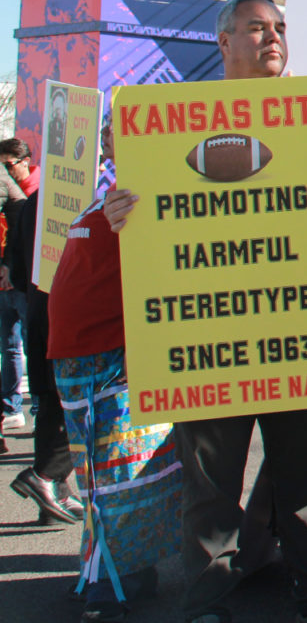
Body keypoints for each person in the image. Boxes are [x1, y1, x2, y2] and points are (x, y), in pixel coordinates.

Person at [102, 0, 307, 623]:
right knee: (210, 493)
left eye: (279, 28)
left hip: (295, 336)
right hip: (206, 343)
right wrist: (123, 212)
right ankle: (207, 603)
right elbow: (137, 207)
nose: (273, 37)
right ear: (224, 42)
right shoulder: (169, 119)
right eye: (257, 28)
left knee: (306, 485)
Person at [50, 116, 183, 622]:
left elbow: (156, 274)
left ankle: (112, 582)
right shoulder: (108, 192)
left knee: (120, 477)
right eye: (108, 136)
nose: (110, 142)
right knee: (99, 477)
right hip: (78, 357)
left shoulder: (145, 199)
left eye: (119, 134)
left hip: (113, 360)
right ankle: (114, 570)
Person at [5, 156, 80, 526]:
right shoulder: (85, 203)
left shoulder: (35, 201)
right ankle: (48, 478)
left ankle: (53, 493)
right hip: (66, 320)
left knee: (52, 406)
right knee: (71, 407)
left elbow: (17, 270)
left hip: (40, 312)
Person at [0, 137, 38, 435]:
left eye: (8, 164)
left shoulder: (37, 191)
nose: (5, 171)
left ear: (25, 161)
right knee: (10, 347)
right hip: (8, 280)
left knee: (33, 344)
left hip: (25, 282)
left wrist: (11, 269)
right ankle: (12, 407)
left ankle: (38, 407)